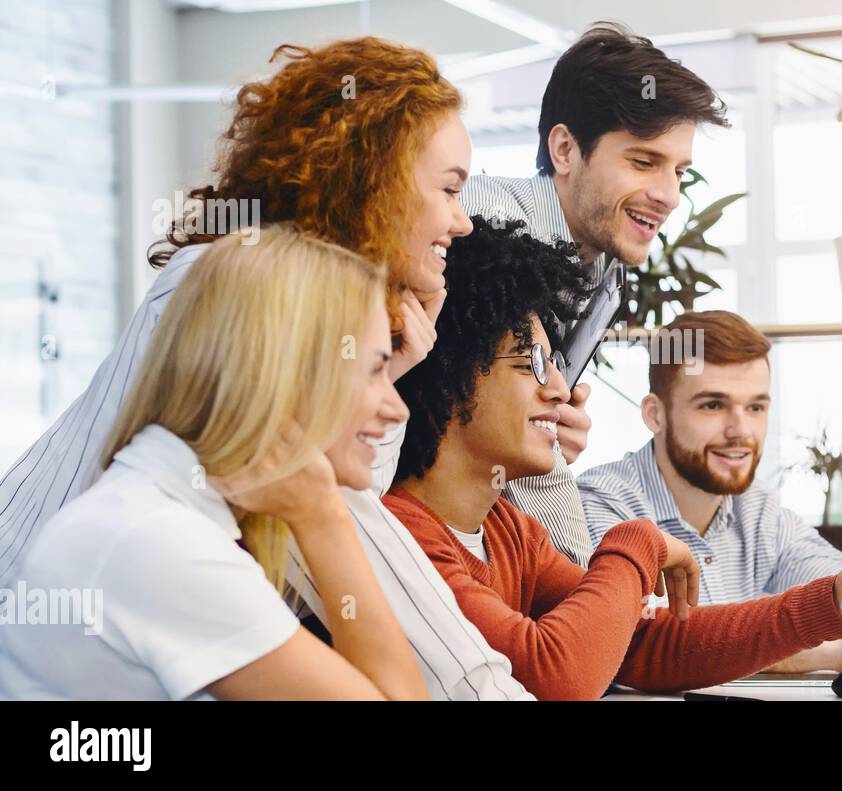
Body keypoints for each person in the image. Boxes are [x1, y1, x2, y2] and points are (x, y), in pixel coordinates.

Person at [0, 37, 532, 699]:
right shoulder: (230, 290)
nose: (462, 222)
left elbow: (344, 487)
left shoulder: (304, 315)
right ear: (377, 180)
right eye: (450, 189)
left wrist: (388, 366)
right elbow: (344, 517)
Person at [380, 218, 842, 699]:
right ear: (454, 378)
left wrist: (833, 599)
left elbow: (643, 644)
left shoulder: (508, 531)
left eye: (554, 363)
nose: (560, 389)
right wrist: (638, 539)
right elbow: (557, 670)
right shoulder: (404, 532)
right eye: (532, 363)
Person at [0, 228, 428, 700]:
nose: (397, 407)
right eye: (373, 370)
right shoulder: (163, 542)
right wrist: (324, 515)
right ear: (283, 376)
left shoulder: (164, 513)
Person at [460, 22, 730, 567]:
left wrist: (544, 436)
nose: (669, 196)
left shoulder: (598, 271)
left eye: (679, 171)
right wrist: (588, 589)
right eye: (643, 161)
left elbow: (518, 443)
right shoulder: (478, 223)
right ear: (565, 149)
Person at [577, 310, 842, 672]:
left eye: (756, 407)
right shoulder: (601, 505)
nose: (740, 431)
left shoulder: (759, 508)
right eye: (713, 405)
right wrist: (833, 650)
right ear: (655, 414)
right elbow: (645, 645)